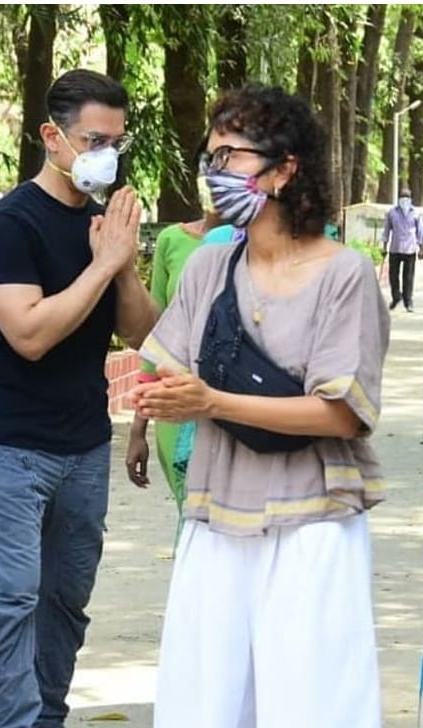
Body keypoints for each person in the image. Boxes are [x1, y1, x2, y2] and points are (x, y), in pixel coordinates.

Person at [132, 84, 389, 728]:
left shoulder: (345, 273)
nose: (214, 168)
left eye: (231, 154)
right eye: (209, 154)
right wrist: (153, 393)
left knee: (309, 711)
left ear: (283, 170)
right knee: (204, 703)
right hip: (217, 514)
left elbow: (342, 415)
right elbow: (168, 360)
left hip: (313, 520)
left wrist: (209, 401)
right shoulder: (211, 266)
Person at [0, 69, 157, 728]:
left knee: (64, 601)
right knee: (6, 599)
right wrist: (102, 264)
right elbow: (30, 333)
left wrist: (122, 262)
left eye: (115, 141)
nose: (105, 153)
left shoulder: (100, 227)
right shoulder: (7, 226)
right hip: (6, 442)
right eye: (92, 140)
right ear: (52, 137)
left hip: (82, 442)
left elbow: (143, 331)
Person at [126, 135, 235, 524]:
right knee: (192, 521)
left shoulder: (264, 246)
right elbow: (158, 338)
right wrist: (139, 428)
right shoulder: (173, 242)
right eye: (209, 167)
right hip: (177, 407)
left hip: (243, 408)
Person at [382, 186, 423, 312]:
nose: (404, 200)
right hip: (395, 248)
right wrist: (384, 247)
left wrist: (422, 249)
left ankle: (408, 302)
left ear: (410, 199)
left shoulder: (416, 213)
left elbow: (420, 232)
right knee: (393, 276)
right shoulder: (392, 213)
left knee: (408, 277)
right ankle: (396, 297)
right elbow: (386, 230)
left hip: (410, 249)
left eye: (407, 198)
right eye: (402, 197)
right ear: (399, 199)